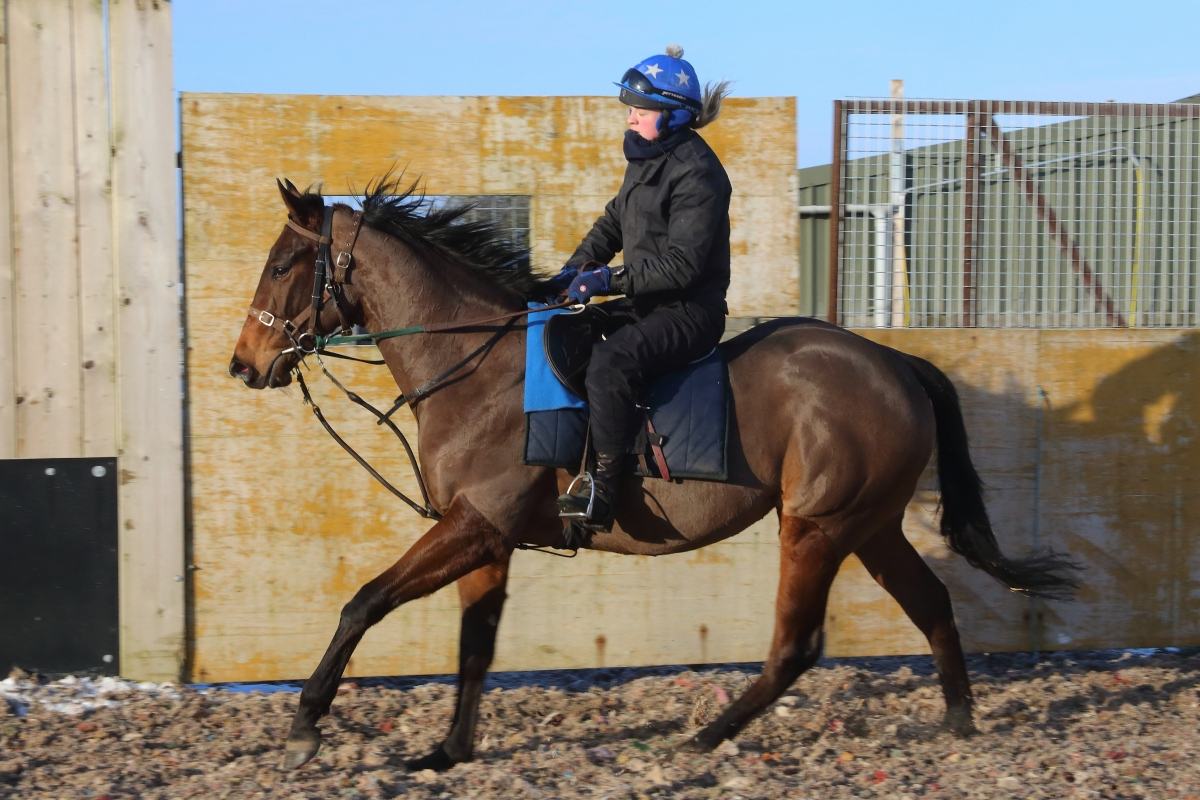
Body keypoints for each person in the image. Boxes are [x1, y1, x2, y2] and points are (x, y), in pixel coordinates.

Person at [549, 45, 732, 531]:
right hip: (646, 303)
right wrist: (571, 272)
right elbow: (614, 221)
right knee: (569, 335)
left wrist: (607, 279)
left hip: (689, 311)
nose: (630, 117)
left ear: (672, 116)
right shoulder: (646, 159)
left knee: (613, 361)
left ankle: (605, 487)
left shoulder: (699, 172)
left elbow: (682, 267)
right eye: (630, 107)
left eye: (641, 109)